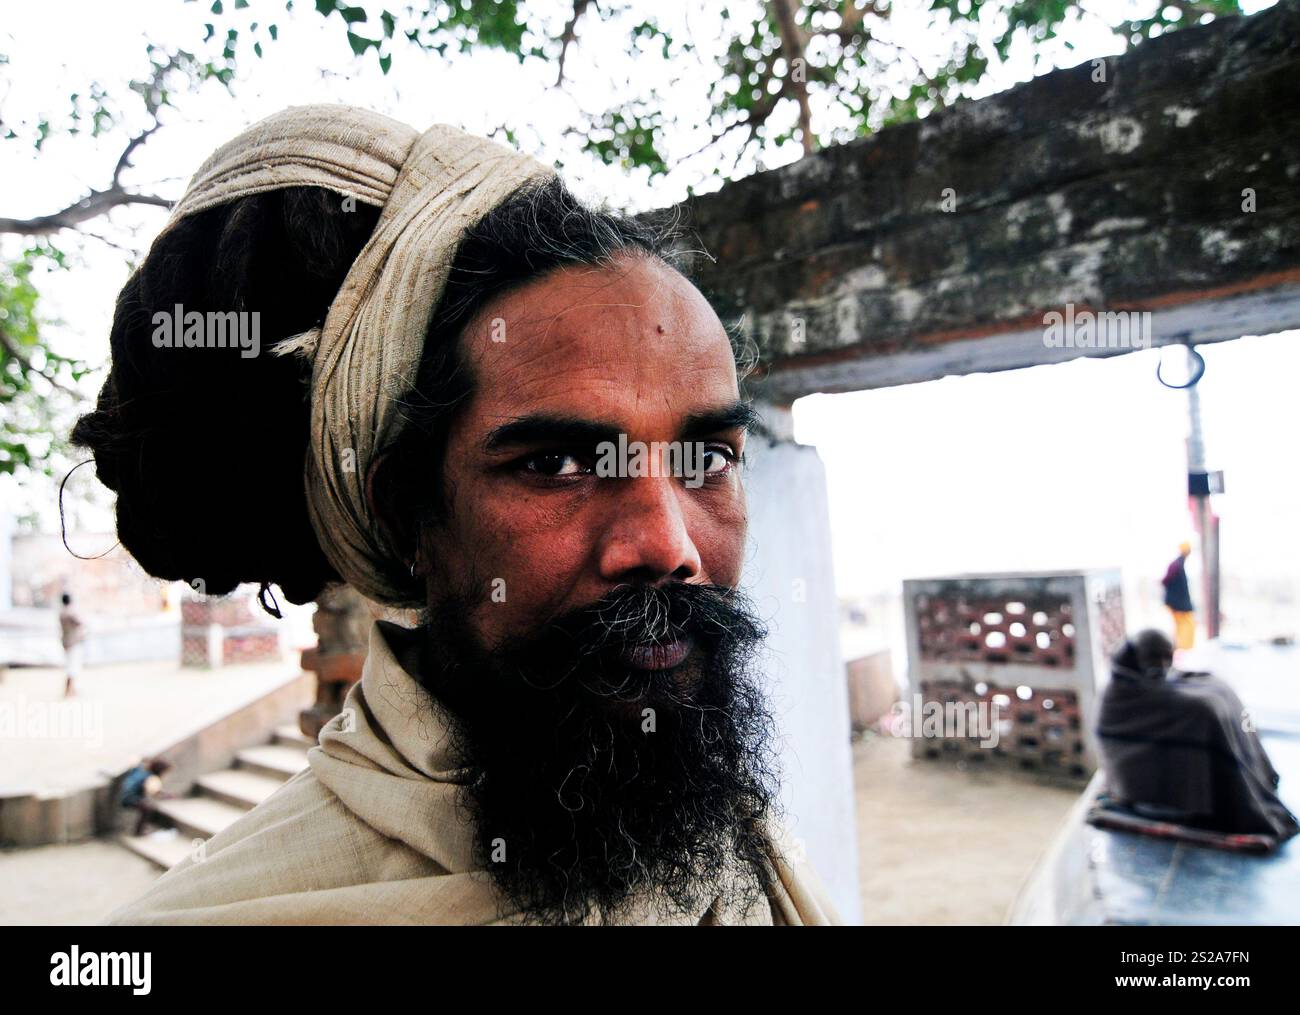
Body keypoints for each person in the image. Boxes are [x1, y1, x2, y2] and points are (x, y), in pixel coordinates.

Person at [76, 105, 837, 926]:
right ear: (408, 517)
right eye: (557, 463)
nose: (667, 544)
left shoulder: (740, 850)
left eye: (705, 460)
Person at [1095, 629, 1299, 845]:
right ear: (1138, 656)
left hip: (1162, 698)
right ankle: (1200, 799)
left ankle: (1248, 780)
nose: (1165, 664)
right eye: (1157, 657)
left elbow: (1164, 679)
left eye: (1168, 656)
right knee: (1205, 709)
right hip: (1143, 791)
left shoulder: (1142, 680)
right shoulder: (1119, 696)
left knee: (1218, 690)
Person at [120, 758, 174, 835]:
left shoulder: (141, 771)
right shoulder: (152, 778)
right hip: (129, 798)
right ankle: (139, 831)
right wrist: (167, 796)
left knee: (147, 805)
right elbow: (154, 791)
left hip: (123, 794)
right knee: (147, 808)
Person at [1161, 541, 1195, 650]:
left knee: (1183, 627)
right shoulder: (1176, 565)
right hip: (1178, 604)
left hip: (1179, 603)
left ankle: (1181, 648)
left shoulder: (1179, 564)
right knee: (1185, 626)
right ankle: (1182, 649)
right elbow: (1165, 580)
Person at [58, 592, 84, 699]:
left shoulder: (62, 612)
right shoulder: (70, 612)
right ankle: (69, 690)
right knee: (72, 667)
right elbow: (81, 622)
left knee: (71, 666)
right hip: (73, 643)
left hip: (67, 643)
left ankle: (71, 690)